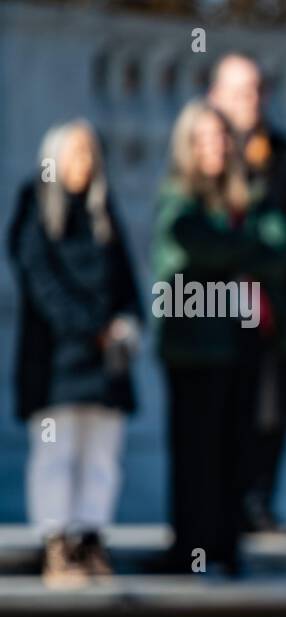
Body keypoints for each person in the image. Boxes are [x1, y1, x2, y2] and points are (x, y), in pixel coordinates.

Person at [151, 99, 286, 575]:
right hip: (192, 346)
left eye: (221, 137)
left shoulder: (249, 195)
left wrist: (238, 253)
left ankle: (227, 549)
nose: (215, 146)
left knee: (238, 450)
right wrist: (243, 251)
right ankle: (189, 548)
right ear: (188, 146)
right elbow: (198, 248)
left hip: (241, 343)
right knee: (194, 451)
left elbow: (282, 250)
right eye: (204, 138)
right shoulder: (178, 198)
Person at [6, 119, 142, 586]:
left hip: (105, 362)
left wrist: (126, 324)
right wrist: (89, 328)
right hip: (55, 361)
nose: (85, 164)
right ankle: (57, 542)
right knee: (56, 452)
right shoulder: (35, 205)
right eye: (77, 153)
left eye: (92, 154)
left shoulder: (103, 211)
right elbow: (39, 278)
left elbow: (126, 280)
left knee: (101, 454)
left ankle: (90, 537)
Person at [208, 52, 286, 532]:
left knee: (275, 406)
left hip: (279, 306)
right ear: (216, 97)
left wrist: (275, 269)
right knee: (222, 405)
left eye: (257, 89)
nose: (250, 100)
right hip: (219, 306)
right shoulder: (207, 153)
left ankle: (258, 503)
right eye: (239, 91)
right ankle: (221, 506)